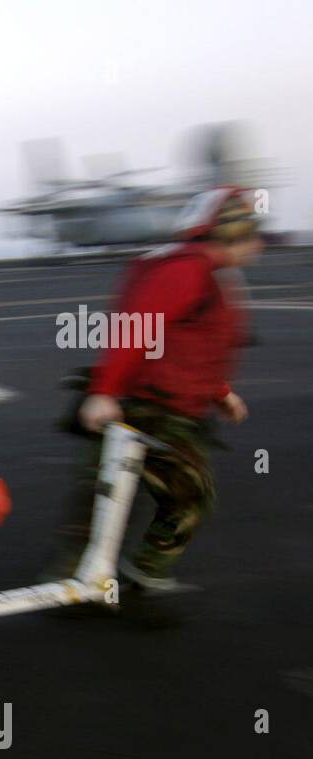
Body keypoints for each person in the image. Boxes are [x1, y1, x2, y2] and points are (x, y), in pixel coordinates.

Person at [47, 185, 263, 602]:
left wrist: (221, 393)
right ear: (230, 229)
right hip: (147, 409)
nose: (258, 242)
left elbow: (195, 345)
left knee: (120, 499)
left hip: (159, 407)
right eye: (251, 230)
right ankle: (117, 581)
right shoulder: (188, 269)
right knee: (184, 495)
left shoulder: (202, 271)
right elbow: (138, 328)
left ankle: (91, 583)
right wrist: (105, 392)